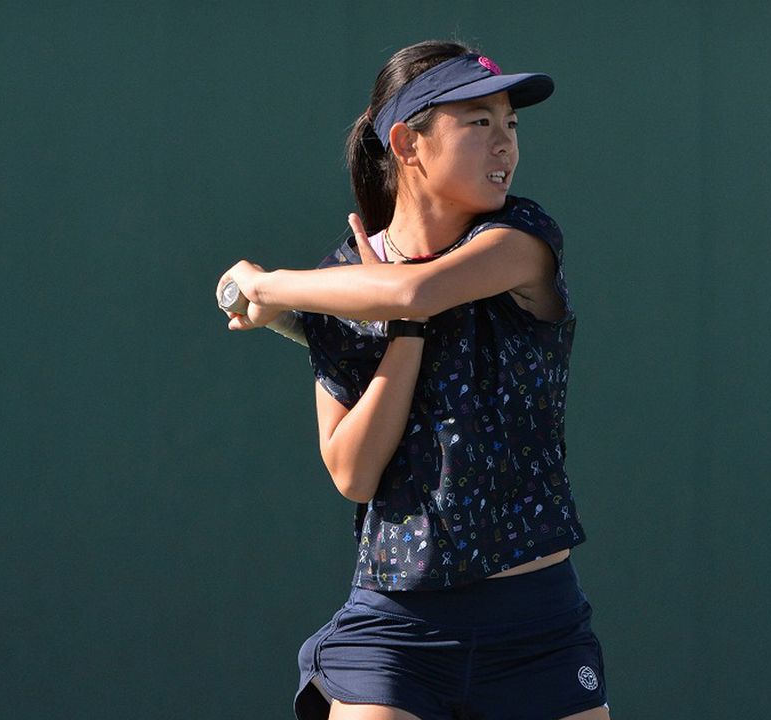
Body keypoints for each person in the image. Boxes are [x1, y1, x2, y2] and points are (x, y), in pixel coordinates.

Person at [217, 40, 609, 720]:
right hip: (396, 628)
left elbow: (418, 288)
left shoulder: (523, 237)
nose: (504, 144)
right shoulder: (344, 281)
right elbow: (354, 473)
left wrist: (268, 284)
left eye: (510, 124)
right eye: (478, 122)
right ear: (406, 142)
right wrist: (403, 334)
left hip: (535, 628)